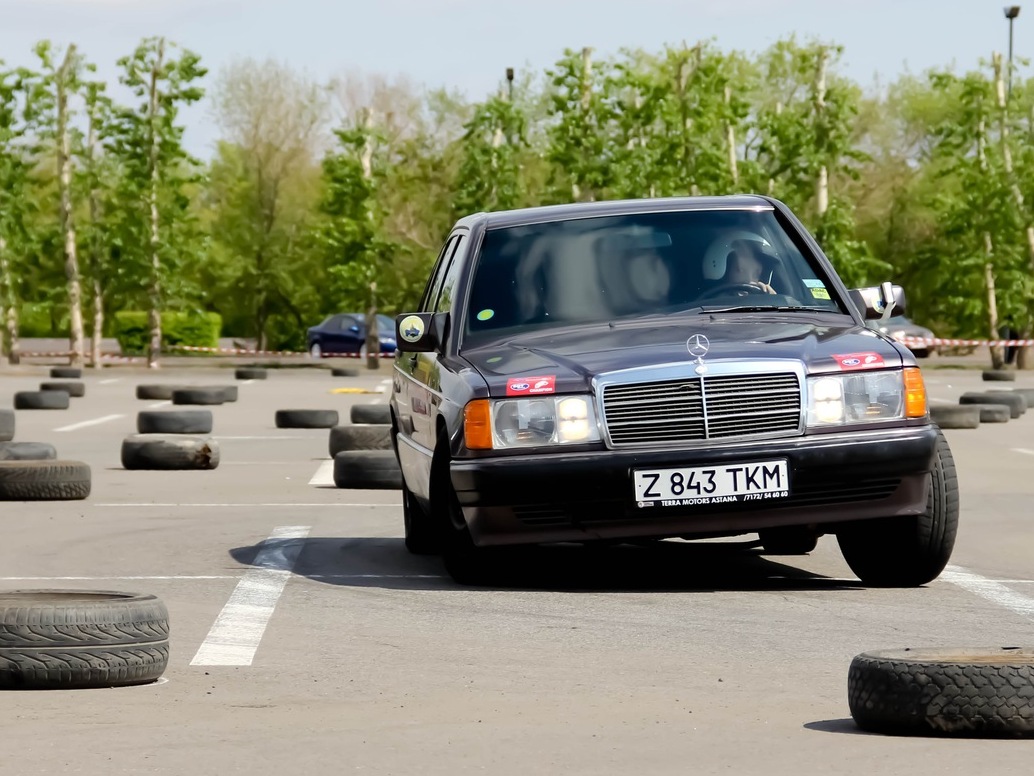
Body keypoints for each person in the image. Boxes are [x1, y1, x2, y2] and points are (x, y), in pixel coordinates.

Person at [701, 231, 780, 296]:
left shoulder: (760, 303)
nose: (749, 280)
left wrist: (771, 302)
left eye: (756, 274)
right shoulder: (708, 308)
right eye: (740, 270)